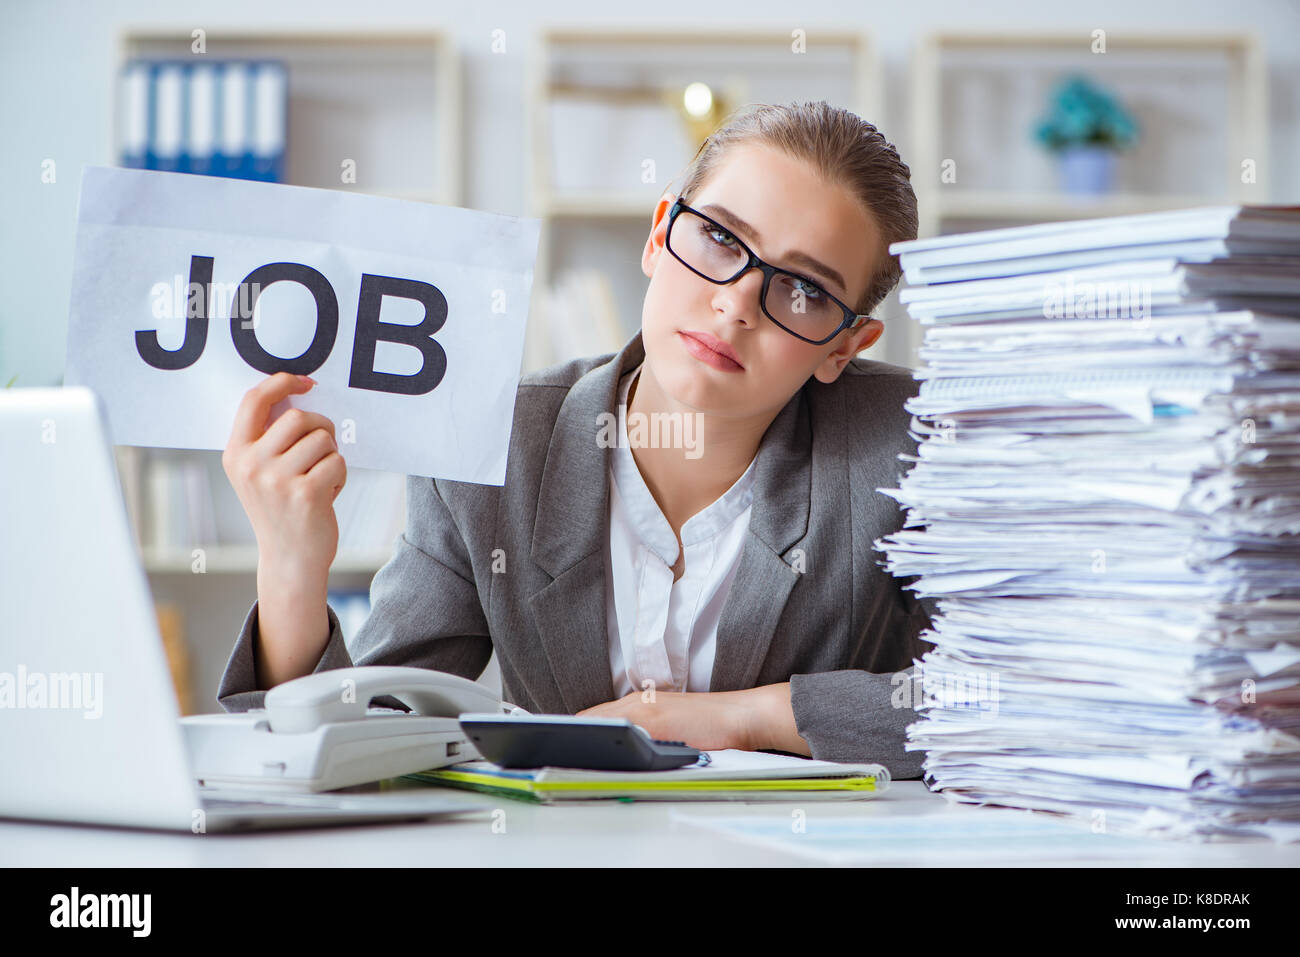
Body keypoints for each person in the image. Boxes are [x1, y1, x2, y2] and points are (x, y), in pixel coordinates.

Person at [215, 100, 937, 776]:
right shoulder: (495, 445)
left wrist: (740, 718)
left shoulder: (916, 447)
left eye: (804, 289)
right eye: (719, 238)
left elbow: (1010, 699)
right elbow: (359, 741)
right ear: (659, 235)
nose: (735, 303)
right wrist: (290, 566)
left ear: (845, 346)